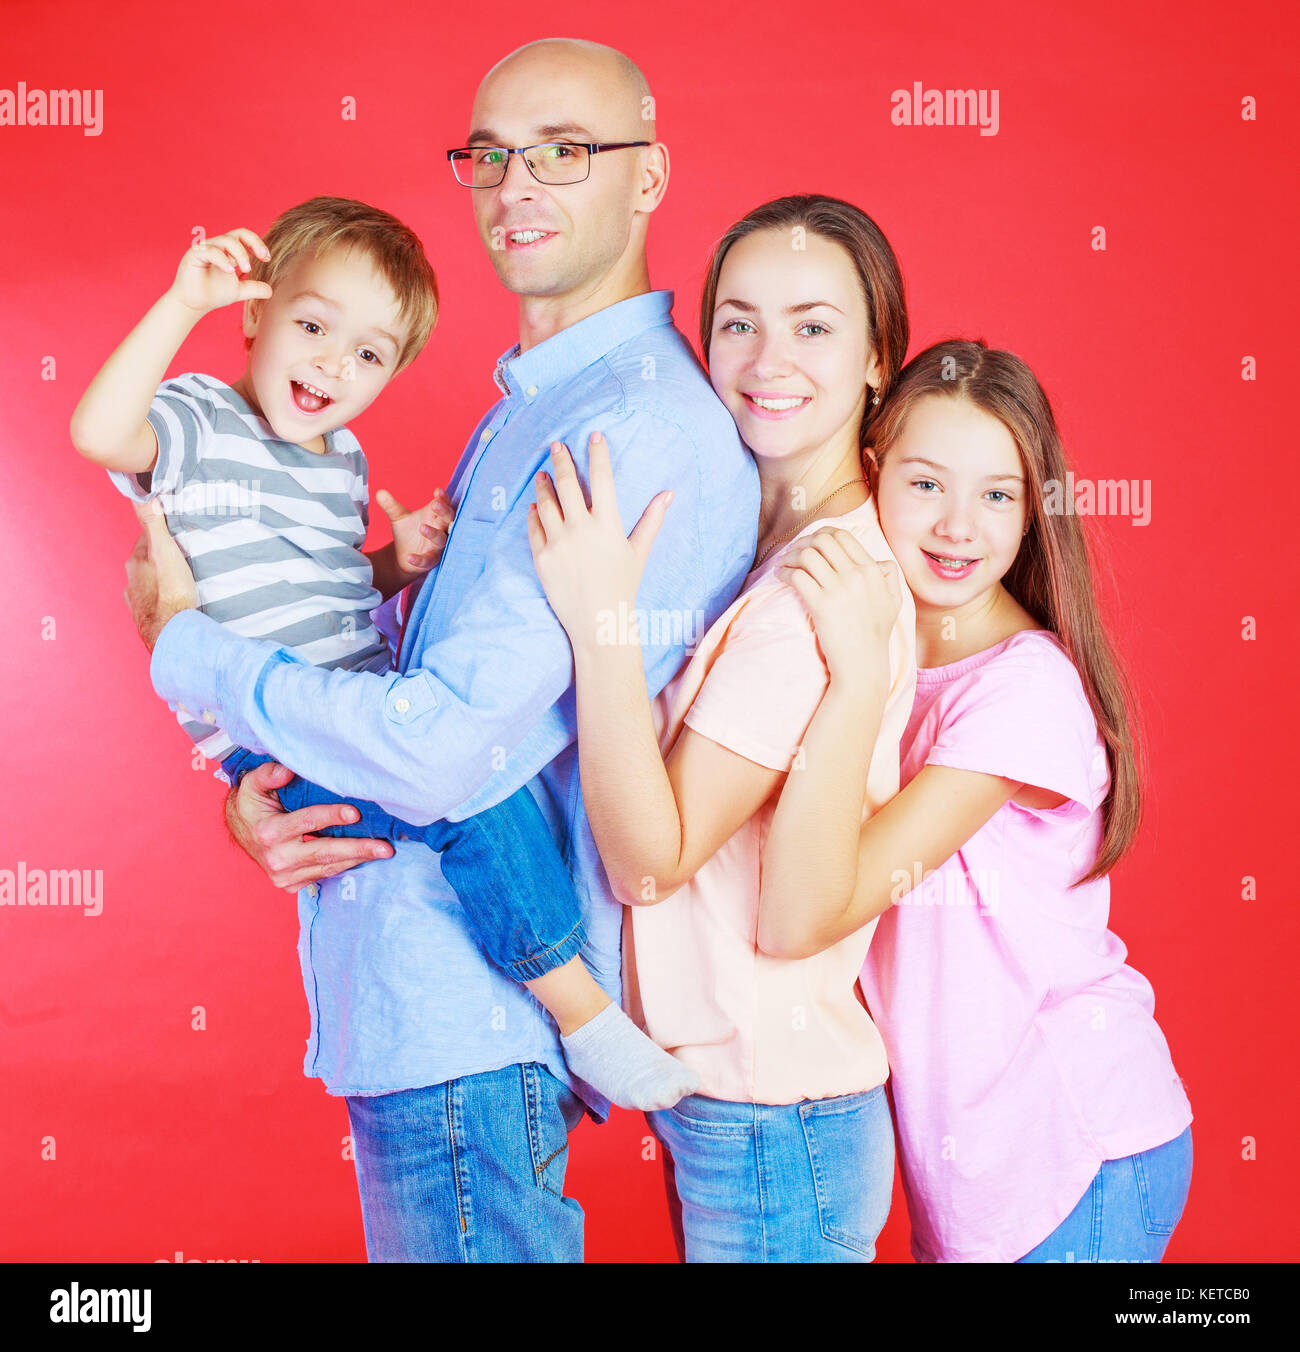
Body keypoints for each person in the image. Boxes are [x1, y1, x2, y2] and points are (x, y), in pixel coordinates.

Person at [121, 38, 760, 1261]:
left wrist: (193, 657)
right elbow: (388, 679)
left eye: (563, 151)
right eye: (491, 155)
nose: (515, 184)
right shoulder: (539, 404)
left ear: (648, 175)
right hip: (422, 999)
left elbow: (437, 754)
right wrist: (259, 794)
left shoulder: (631, 421)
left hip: (471, 1016)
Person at [77, 195, 697, 1114]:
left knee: (495, 787)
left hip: (356, 697)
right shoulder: (199, 418)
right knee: (467, 799)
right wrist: (181, 304)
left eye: (368, 353)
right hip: (278, 726)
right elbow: (97, 433)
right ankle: (584, 1015)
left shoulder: (341, 460)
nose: (333, 361)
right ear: (253, 314)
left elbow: (330, 589)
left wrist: (395, 566)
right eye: (313, 324)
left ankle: (580, 998)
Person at [526, 194, 917, 1261]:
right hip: (734, 1103)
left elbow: (651, 860)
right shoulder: (744, 536)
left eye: (813, 325)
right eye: (737, 321)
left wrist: (601, 626)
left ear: (880, 355)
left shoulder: (818, 588)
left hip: (773, 1113)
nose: (764, 357)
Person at [759, 338, 1194, 1262]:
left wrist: (845, 678)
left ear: (1035, 514)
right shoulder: (890, 653)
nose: (960, 526)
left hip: (1071, 1145)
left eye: (998, 495)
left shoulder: (1021, 692)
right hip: (968, 1161)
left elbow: (812, 908)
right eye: (926, 484)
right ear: (871, 474)